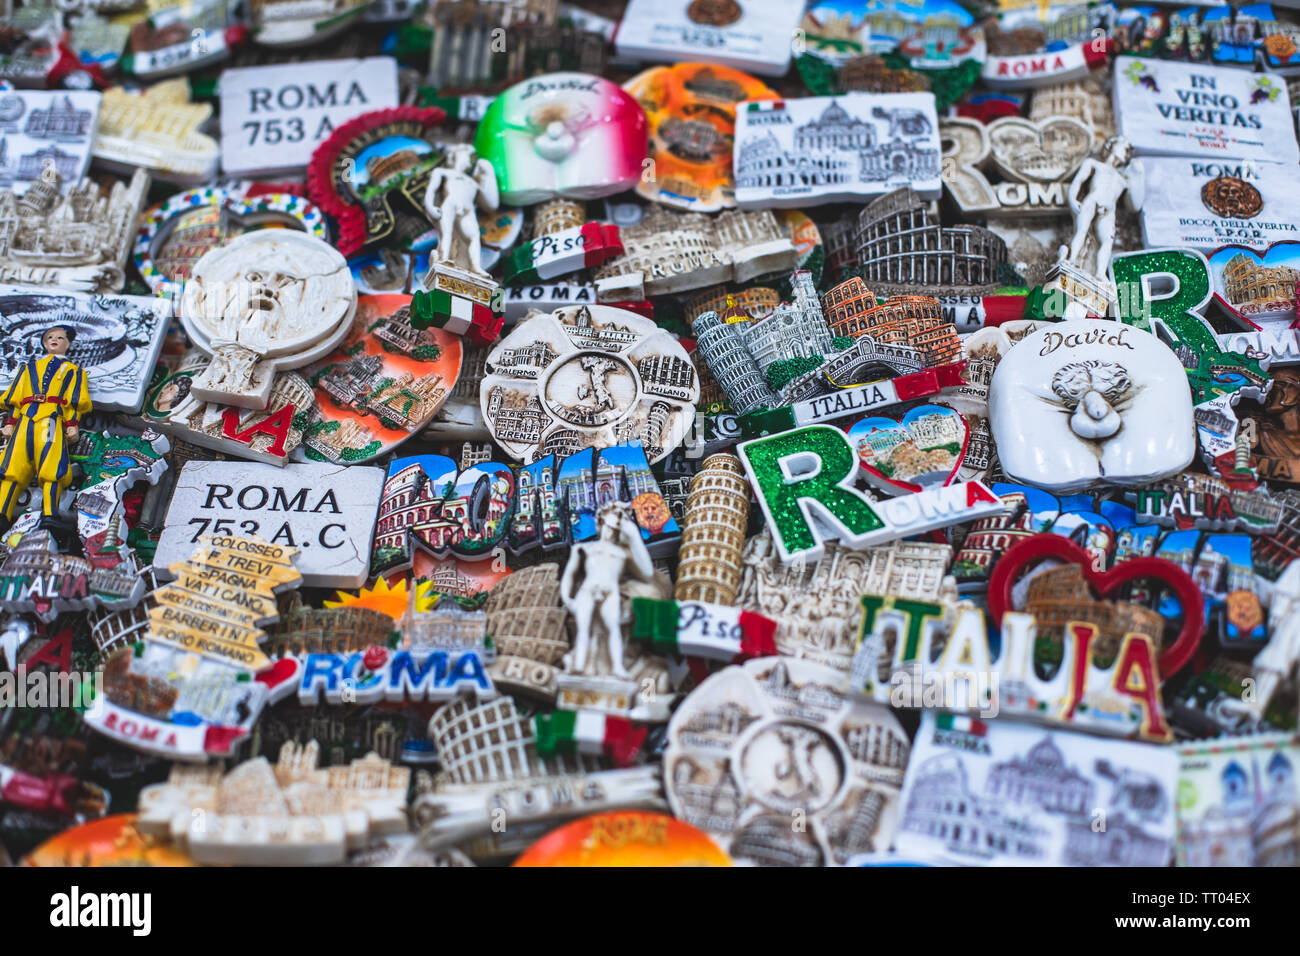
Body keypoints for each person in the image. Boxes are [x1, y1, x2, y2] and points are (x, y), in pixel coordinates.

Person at [0, 325, 92, 546]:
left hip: (51, 420)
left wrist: (72, 425)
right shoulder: (28, 368)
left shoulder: (73, 371)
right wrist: (10, 423)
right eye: (50, 337)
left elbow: (74, 404)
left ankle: (50, 514)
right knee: (12, 466)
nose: (54, 340)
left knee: (52, 465)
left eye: (60, 337)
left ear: (68, 343)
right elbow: (15, 399)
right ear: (43, 342)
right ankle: (3, 511)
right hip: (25, 419)